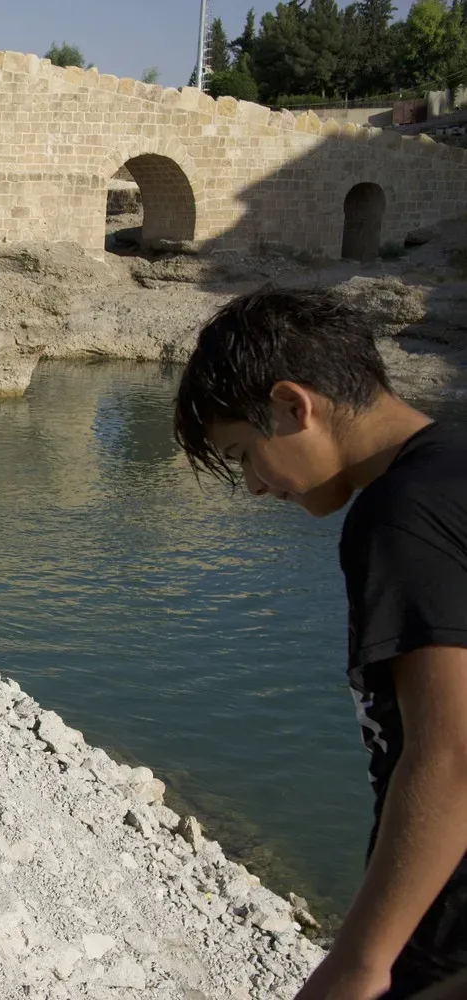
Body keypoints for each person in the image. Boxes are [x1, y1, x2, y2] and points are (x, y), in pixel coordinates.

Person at [173, 288, 467, 1000]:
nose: (252, 485)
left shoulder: (400, 517)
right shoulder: (454, 471)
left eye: (244, 454)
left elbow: (451, 752)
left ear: (293, 406)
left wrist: (360, 963)